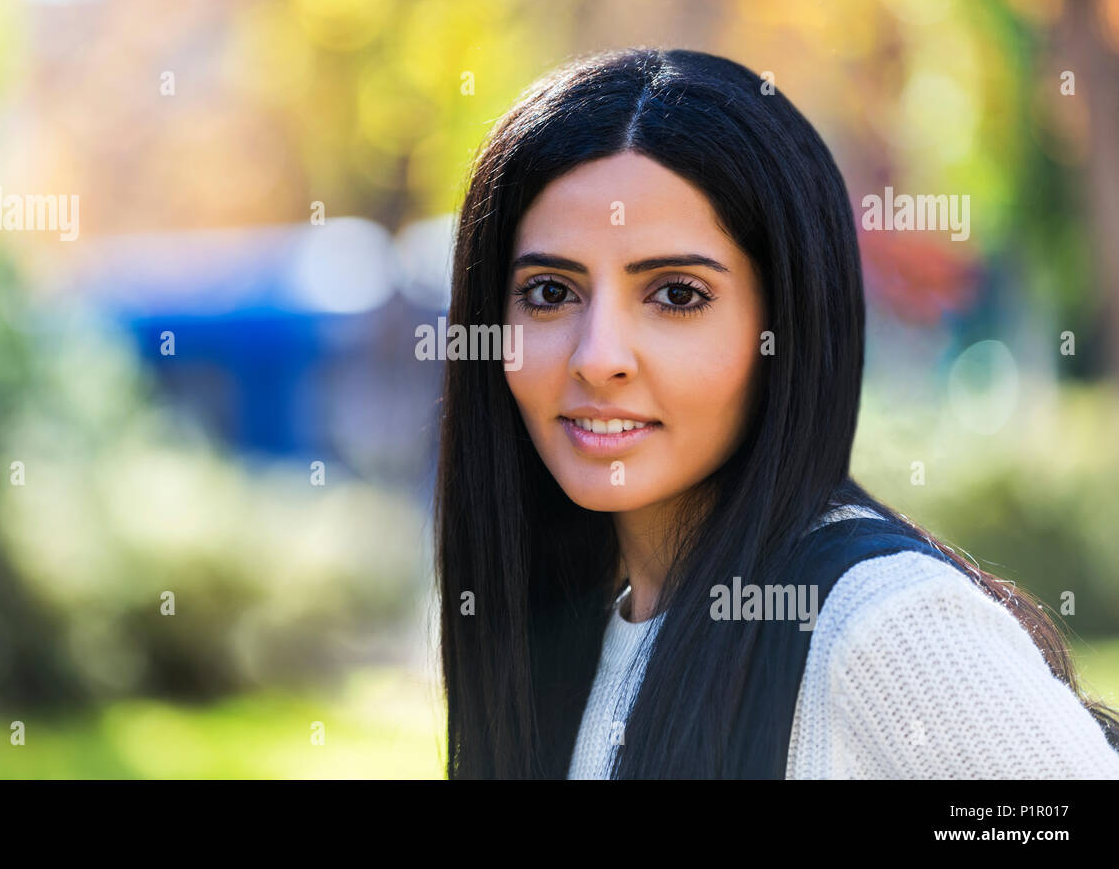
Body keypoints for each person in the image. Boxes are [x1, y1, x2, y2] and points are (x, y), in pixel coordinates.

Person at [433, 46, 1119, 779]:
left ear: (784, 326)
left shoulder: (878, 624)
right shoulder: (588, 634)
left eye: (675, 295)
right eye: (549, 293)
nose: (598, 357)